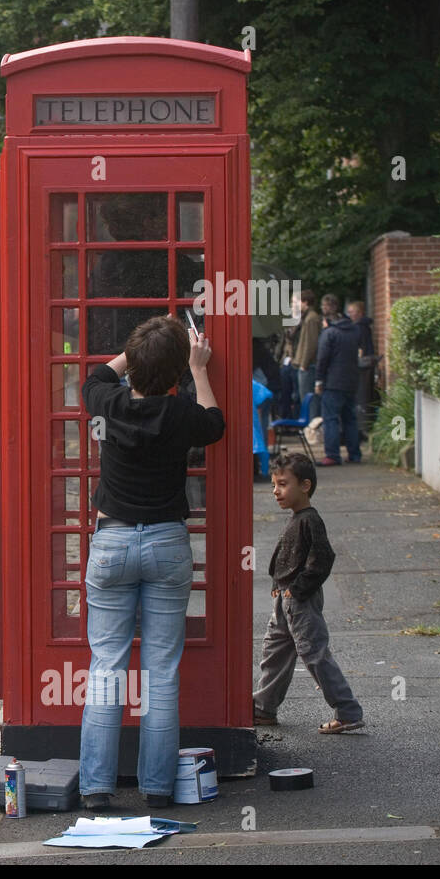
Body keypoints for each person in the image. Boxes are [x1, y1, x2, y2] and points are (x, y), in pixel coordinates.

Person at [79, 315, 226, 810]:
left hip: (113, 541)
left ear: (133, 369)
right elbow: (216, 424)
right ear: (174, 374)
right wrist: (198, 365)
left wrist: (134, 354)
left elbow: (95, 376)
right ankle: (158, 788)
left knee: (105, 669)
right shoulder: (181, 412)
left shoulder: (108, 400)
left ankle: (97, 788)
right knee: (161, 672)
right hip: (166, 543)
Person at [253, 453, 364, 733]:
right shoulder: (297, 517)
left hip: (299, 601)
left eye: (282, 484)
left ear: (304, 486)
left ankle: (348, 711)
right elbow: (290, 559)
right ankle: (264, 708)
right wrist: (279, 587)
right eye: (273, 485)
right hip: (285, 599)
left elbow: (323, 558)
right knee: (275, 651)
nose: (275, 491)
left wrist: (297, 590)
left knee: (314, 654)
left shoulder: (310, 519)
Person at [313, 294, 361, 466]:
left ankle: (332, 455)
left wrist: (319, 380)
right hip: (351, 380)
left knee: (331, 419)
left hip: (333, 382)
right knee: (350, 419)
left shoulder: (329, 333)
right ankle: (354, 454)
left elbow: (322, 359)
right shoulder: (354, 330)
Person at [349, 300, 377, 437]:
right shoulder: (365, 326)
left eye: (352, 312)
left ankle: (362, 428)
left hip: (362, 365)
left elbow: (361, 347)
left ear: (360, 312)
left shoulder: (359, 327)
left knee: (361, 398)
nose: (350, 315)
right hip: (367, 364)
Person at [291, 290, 321, 414]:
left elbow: (311, 343)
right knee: (306, 399)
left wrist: (304, 364)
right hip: (306, 365)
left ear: (305, 302)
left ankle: (312, 428)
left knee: (308, 400)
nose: (293, 305)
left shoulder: (311, 319)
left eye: (295, 302)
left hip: (308, 366)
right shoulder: (308, 318)